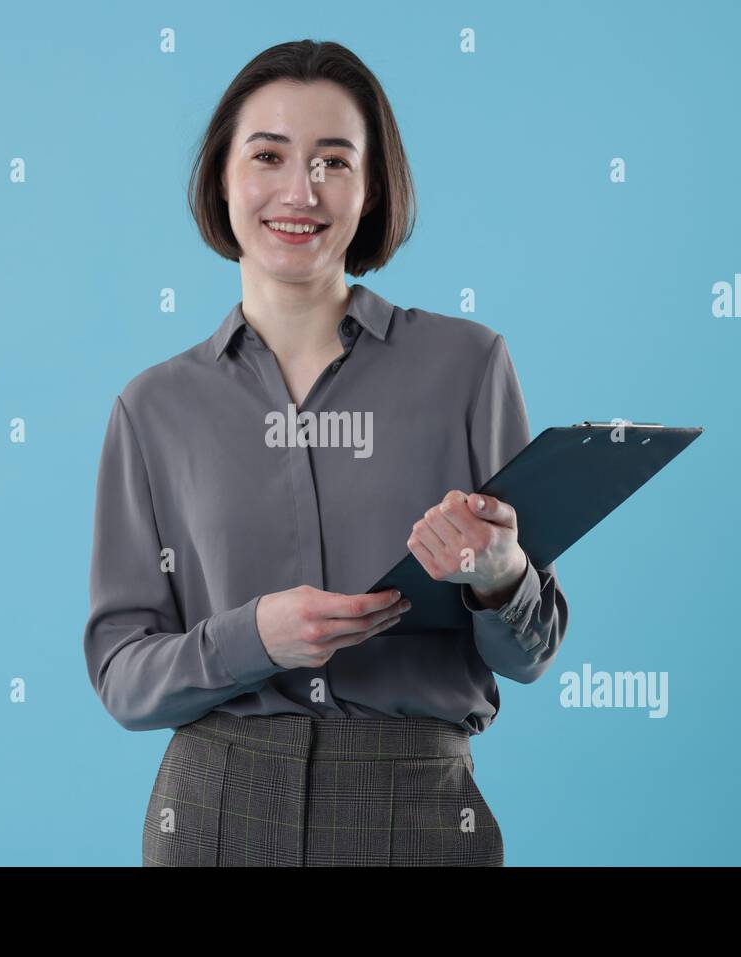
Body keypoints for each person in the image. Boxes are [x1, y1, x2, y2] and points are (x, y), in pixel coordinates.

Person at [83, 39, 569, 867]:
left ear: (372, 186)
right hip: (212, 812)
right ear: (223, 178)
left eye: (334, 162)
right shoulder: (151, 408)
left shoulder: (470, 366)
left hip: (416, 812)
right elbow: (125, 678)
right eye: (268, 155)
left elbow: (531, 650)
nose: (298, 191)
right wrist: (255, 637)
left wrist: (498, 576)